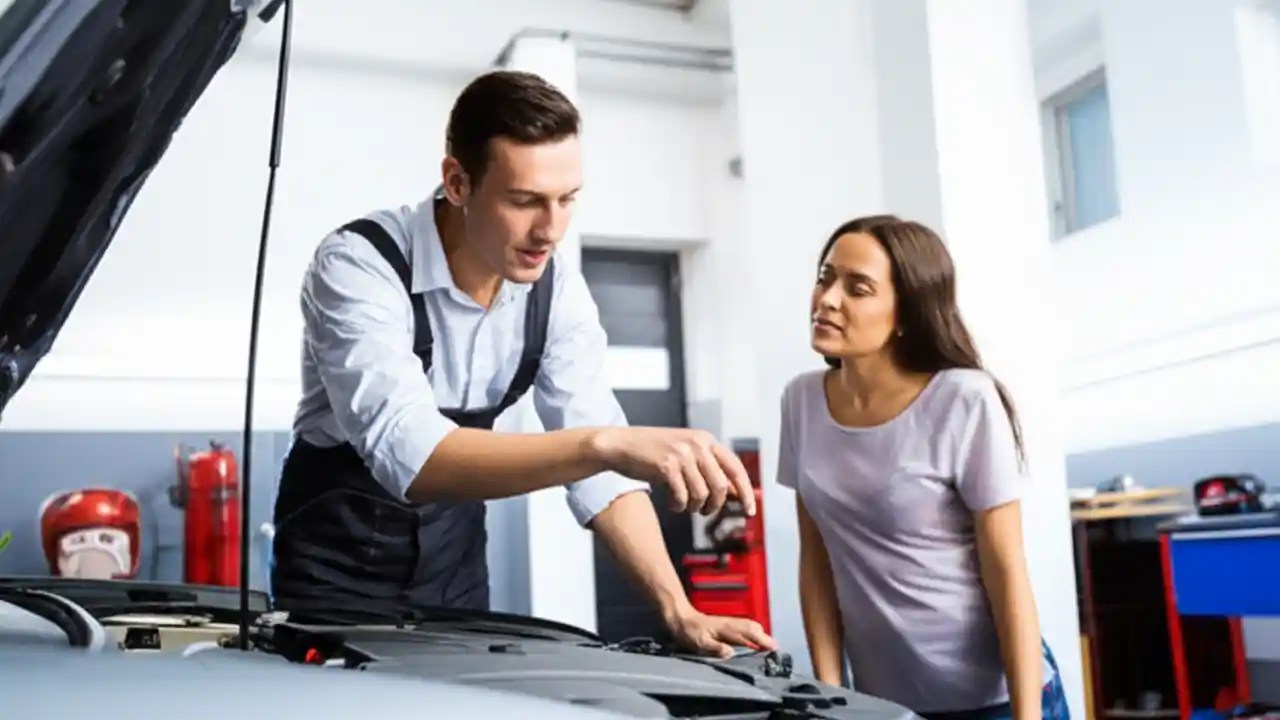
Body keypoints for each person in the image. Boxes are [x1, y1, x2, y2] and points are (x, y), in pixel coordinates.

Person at [270, 69, 776, 658]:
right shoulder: (360, 265)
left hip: (454, 570)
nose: (551, 229)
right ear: (457, 182)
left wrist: (678, 610)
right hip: (334, 567)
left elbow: (603, 477)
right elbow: (411, 455)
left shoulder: (555, 288)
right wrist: (605, 444)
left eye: (567, 200)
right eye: (525, 201)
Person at [775, 215, 1069, 719]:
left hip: (996, 701)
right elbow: (817, 561)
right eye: (825, 277)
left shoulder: (964, 399)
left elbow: (1006, 571)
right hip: (884, 705)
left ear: (907, 311)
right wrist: (830, 698)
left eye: (857, 288)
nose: (826, 298)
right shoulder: (802, 401)